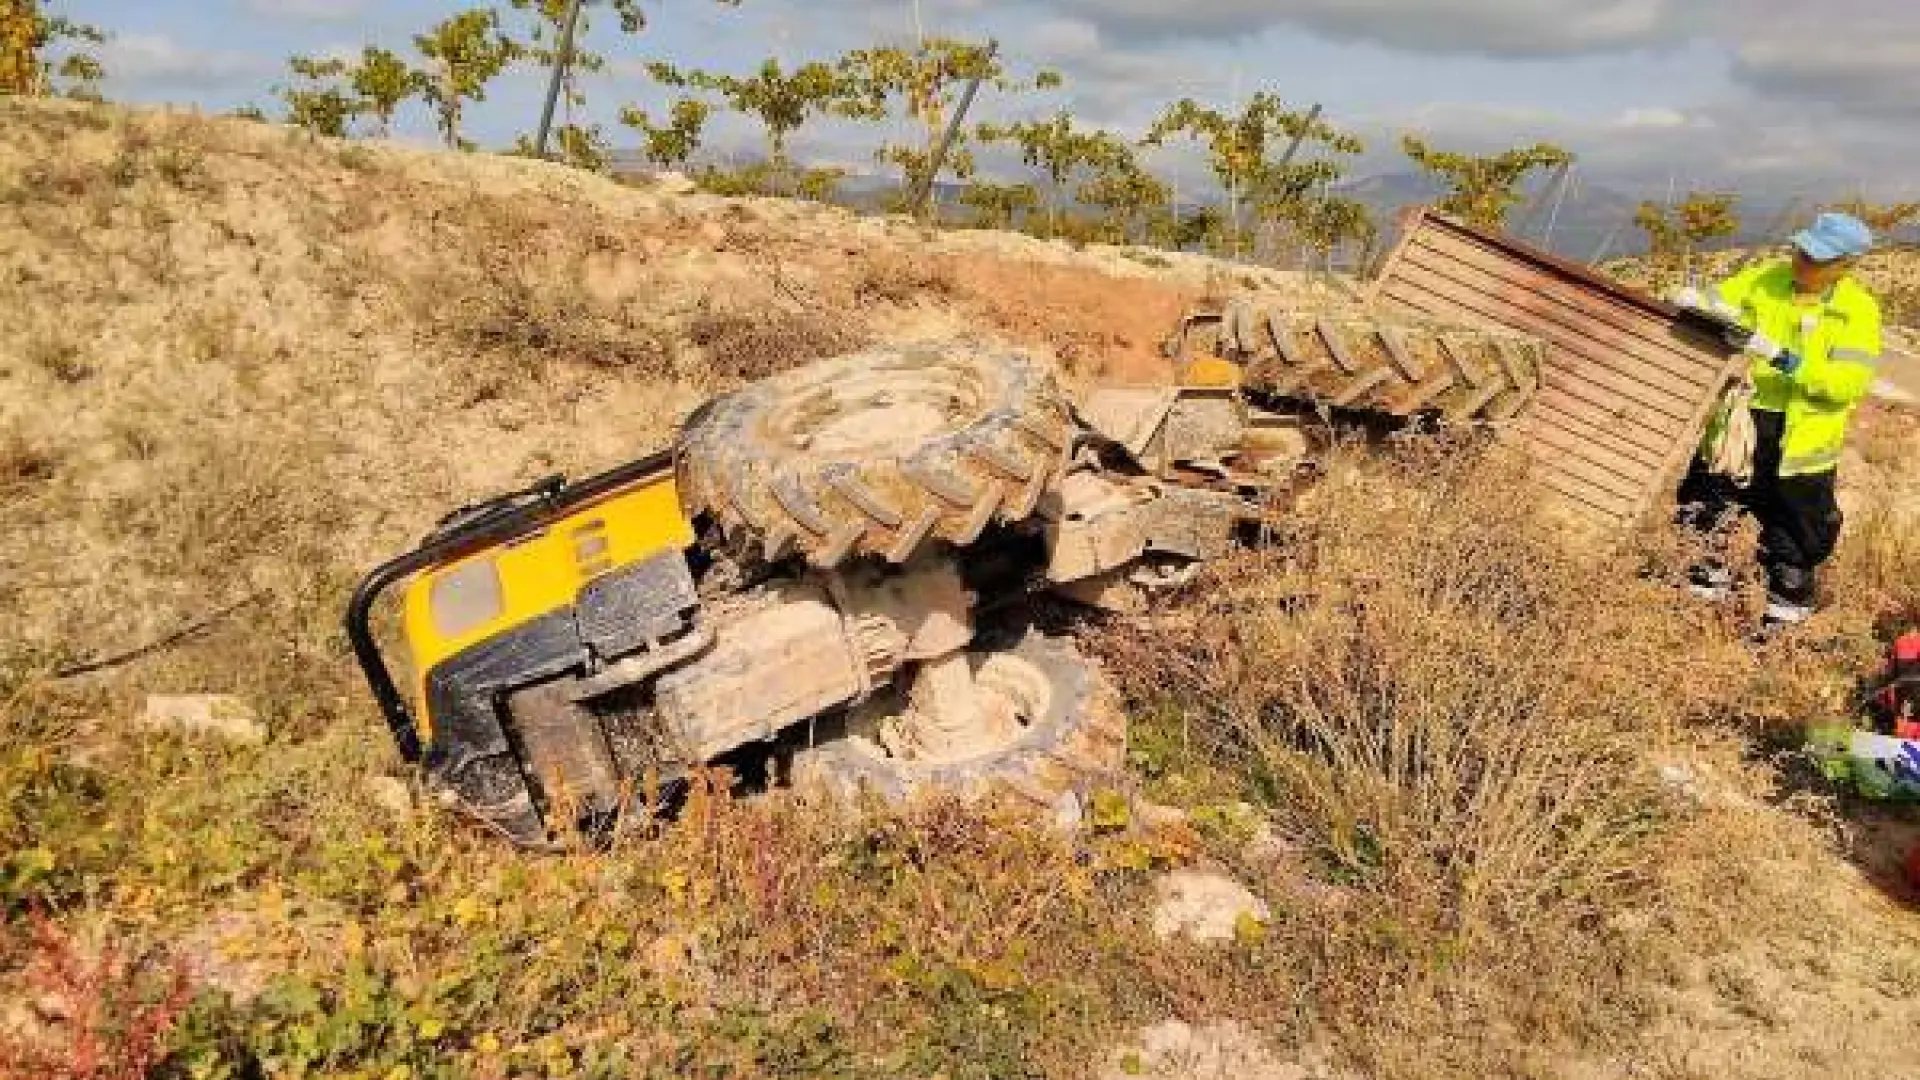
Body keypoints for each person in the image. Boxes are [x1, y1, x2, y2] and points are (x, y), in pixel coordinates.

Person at [1672, 211, 1883, 628]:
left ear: (1846, 266)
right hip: (1742, 425)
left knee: (1793, 542)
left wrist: (1783, 358)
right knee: (1708, 512)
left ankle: (1781, 634)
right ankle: (1694, 617)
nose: (1801, 262)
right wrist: (1697, 304)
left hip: (1801, 445)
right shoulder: (1766, 278)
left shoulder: (1857, 312)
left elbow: (1846, 385)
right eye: (1801, 251)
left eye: (1816, 259)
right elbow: (1718, 300)